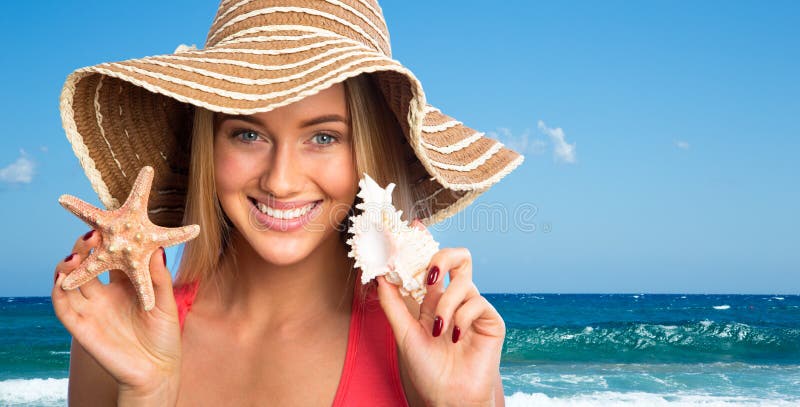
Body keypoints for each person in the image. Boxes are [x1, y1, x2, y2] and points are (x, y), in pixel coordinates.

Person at [51, 1, 524, 405]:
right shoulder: (122, 337)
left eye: (324, 137)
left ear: (367, 151)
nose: (280, 181)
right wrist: (148, 391)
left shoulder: (430, 348)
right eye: (248, 134)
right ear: (208, 147)